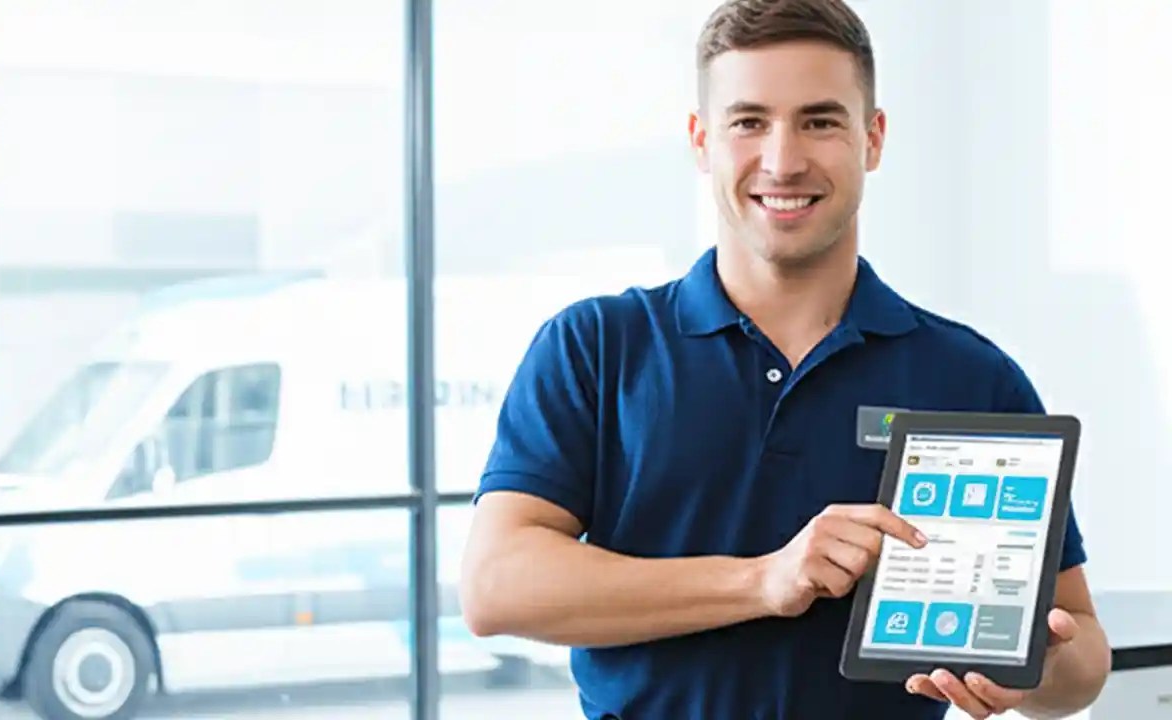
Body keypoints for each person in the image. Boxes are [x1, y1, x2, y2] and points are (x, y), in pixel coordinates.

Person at [458, 0, 1112, 717]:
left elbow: (1078, 648)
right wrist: (764, 581)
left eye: (820, 121)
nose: (783, 159)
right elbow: (497, 587)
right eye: (749, 122)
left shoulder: (971, 375)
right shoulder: (598, 347)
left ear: (873, 139)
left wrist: (1036, 671)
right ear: (701, 141)